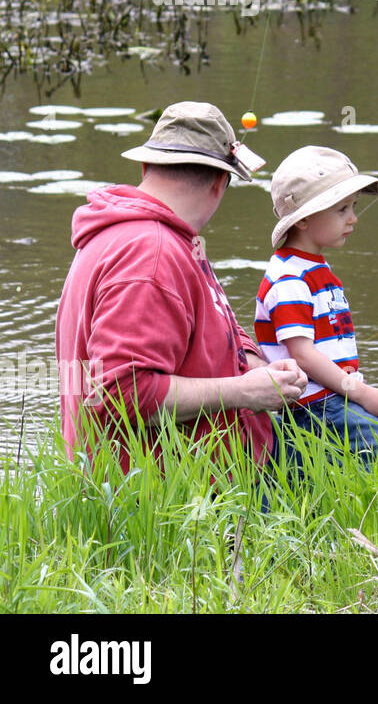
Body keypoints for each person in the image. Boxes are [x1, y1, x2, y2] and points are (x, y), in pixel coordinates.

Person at [55, 102, 307, 472]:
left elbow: (220, 320)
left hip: (202, 484)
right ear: (221, 182)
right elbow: (119, 395)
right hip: (166, 502)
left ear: (146, 167)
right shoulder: (151, 254)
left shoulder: (164, 238)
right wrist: (244, 391)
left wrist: (255, 366)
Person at [255, 145, 378, 469]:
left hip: (338, 398)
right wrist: (361, 394)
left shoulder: (315, 270)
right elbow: (303, 355)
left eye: (353, 206)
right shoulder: (289, 278)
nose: (353, 218)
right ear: (304, 219)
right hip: (317, 407)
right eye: (341, 210)